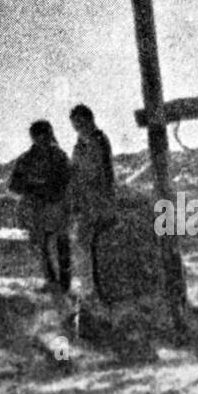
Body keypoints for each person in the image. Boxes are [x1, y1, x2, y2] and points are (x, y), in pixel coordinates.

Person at [9, 119, 73, 293]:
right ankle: (51, 281)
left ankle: (65, 284)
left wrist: (47, 187)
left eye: (45, 136)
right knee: (42, 247)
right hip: (36, 208)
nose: (42, 140)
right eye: (38, 137)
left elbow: (67, 181)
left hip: (56, 206)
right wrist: (32, 186)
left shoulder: (59, 156)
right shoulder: (26, 158)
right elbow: (14, 185)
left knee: (61, 245)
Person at [68, 103, 119, 297]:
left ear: (90, 120)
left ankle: (97, 289)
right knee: (85, 246)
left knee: (96, 246)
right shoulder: (80, 145)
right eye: (75, 124)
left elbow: (95, 173)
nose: (78, 128)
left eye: (80, 123)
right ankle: (91, 288)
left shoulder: (98, 141)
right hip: (86, 204)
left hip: (98, 202)